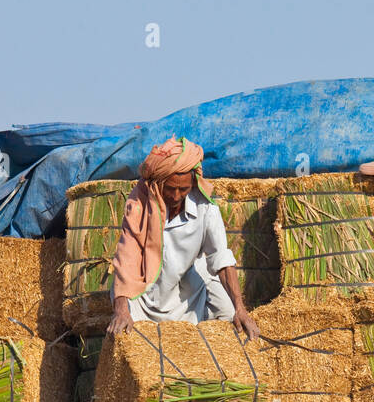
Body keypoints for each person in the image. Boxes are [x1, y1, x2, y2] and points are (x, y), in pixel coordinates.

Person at [106, 136, 260, 340]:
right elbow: (127, 260)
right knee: (127, 328)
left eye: (184, 189)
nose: (177, 196)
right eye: (170, 188)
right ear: (158, 183)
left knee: (228, 312)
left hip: (189, 289)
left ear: (193, 184)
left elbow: (221, 259)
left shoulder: (206, 209)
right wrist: (121, 310)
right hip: (146, 290)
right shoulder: (139, 206)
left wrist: (240, 309)